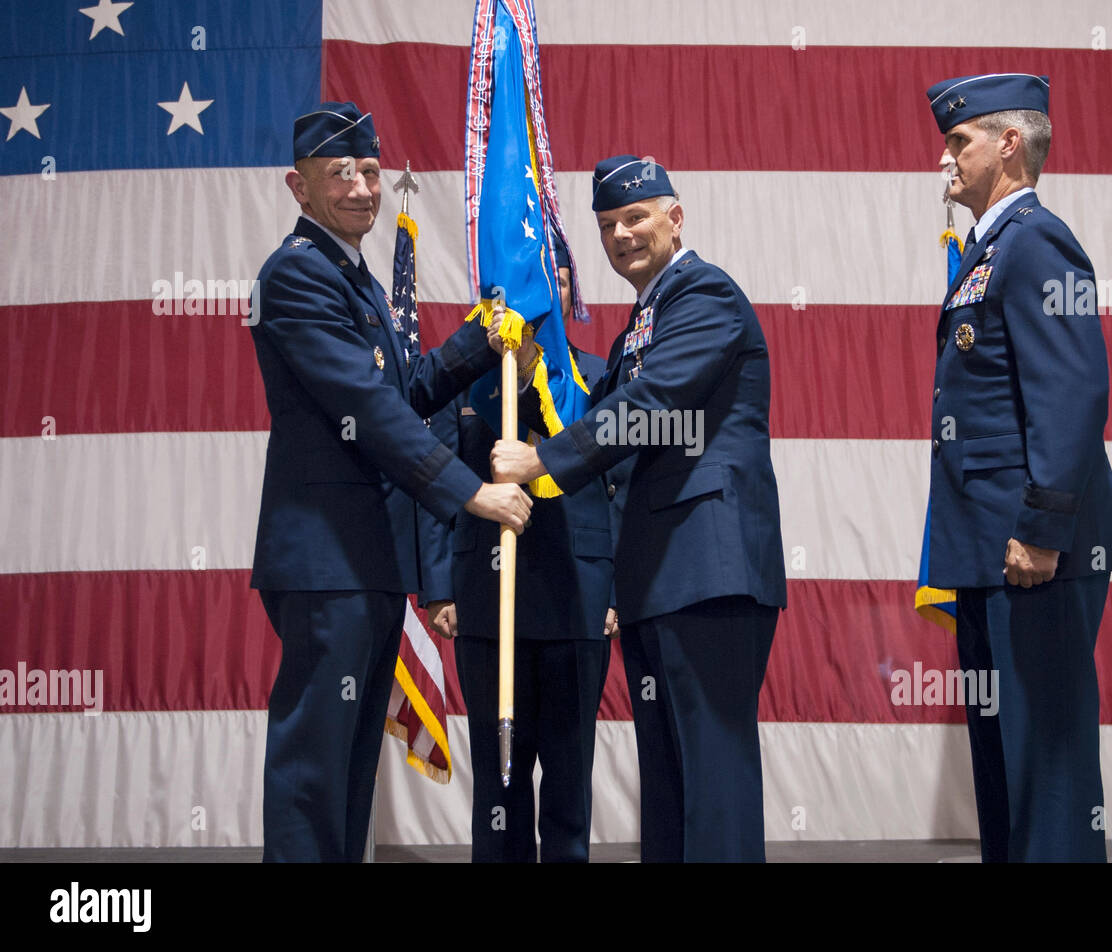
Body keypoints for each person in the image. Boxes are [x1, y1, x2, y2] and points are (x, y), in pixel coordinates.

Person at [248, 101, 531, 862]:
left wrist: (478, 336)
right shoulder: (297, 274)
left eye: (371, 170)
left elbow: (402, 395)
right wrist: (472, 493)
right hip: (323, 559)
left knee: (346, 770)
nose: (362, 187)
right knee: (315, 765)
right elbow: (366, 408)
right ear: (297, 187)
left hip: (364, 562)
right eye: (339, 172)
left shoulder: (357, 281)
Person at [491, 155, 787, 862]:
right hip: (661, 579)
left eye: (635, 217)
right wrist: (525, 360)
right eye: (607, 226)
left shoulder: (704, 296)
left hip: (709, 573)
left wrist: (541, 463)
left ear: (675, 218)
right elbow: (595, 415)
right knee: (670, 786)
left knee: (712, 781)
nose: (621, 235)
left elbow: (648, 409)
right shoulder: (644, 322)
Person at [922, 74, 1112, 861]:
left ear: (1010, 142)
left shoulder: (1036, 240)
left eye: (958, 140)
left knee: (1048, 773)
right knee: (1006, 774)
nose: (943, 157)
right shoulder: (991, 250)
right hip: (990, 552)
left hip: (1033, 552)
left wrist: (1041, 528)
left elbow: (1072, 392)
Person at [424, 241, 618, 862]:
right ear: (493, 301)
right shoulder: (468, 386)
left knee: (569, 783)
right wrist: (439, 586)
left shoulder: (596, 377)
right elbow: (432, 480)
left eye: (554, 283)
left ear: (569, 294)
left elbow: (622, 490)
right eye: (524, 288)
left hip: (579, 597)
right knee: (500, 788)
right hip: (486, 601)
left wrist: (617, 590)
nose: (540, 298)